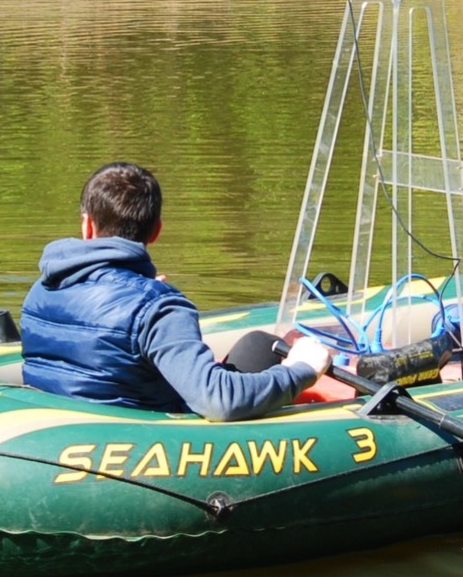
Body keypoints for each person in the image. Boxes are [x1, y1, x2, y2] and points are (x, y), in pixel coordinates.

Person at [22, 163, 331, 420]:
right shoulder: (159, 310)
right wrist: (301, 370)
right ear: (157, 231)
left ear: (87, 226)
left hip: (59, 439)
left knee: (258, 345)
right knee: (275, 353)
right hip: (146, 449)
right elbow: (218, 401)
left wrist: (146, 294)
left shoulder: (41, 289)